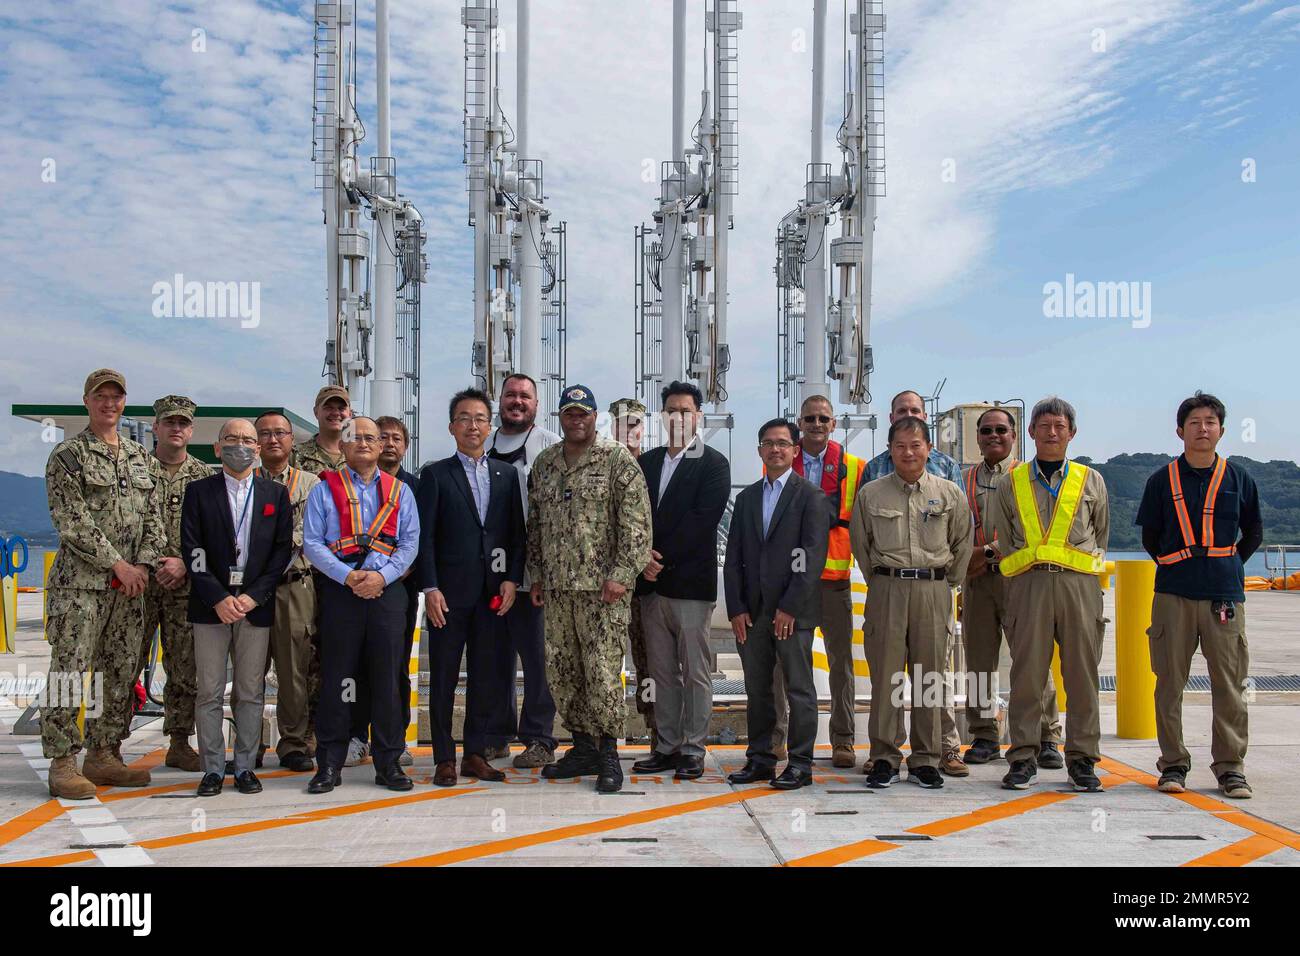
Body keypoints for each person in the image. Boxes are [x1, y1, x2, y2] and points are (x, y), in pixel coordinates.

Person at [42, 369, 168, 799]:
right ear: (87, 401)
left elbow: (156, 520)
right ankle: (62, 761)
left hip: (130, 589)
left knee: (118, 672)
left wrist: (145, 567)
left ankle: (104, 753)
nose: (109, 403)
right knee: (70, 672)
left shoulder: (141, 459)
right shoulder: (68, 456)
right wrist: (119, 564)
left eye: (116, 396)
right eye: (101, 396)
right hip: (81, 587)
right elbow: (72, 522)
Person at [1136, 392, 1263, 799]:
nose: (1202, 429)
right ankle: (1173, 765)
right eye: (1194, 422)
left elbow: (1254, 534)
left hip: (1224, 597)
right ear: (1180, 431)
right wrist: (1180, 565)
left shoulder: (1239, 478)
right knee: (1168, 683)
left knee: (1229, 684)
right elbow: (1150, 538)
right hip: (1173, 594)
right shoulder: (1161, 480)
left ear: (1221, 431)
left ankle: (1230, 768)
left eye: (1210, 422)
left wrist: (1226, 565)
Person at [527, 384, 652, 793]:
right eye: (569, 413)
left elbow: (636, 526)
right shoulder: (545, 464)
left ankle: (609, 753)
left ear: (595, 417)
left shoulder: (617, 460)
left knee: (601, 673)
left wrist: (622, 574)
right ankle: (582, 746)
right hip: (560, 590)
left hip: (604, 591)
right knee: (564, 673)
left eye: (583, 413)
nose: (576, 419)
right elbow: (535, 526)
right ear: (560, 418)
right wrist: (538, 575)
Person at [990, 396, 1109, 792]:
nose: (1052, 432)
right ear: (1031, 432)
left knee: (1082, 676)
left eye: (1060, 426)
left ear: (1071, 433)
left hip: (1079, 587)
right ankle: (1023, 757)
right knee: (1026, 677)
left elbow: (1101, 534)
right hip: (1029, 585)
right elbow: (1004, 538)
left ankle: (1082, 760)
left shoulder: (1091, 481)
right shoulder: (1012, 482)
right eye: (1044, 426)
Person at [850, 417, 972, 790]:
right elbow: (861, 544)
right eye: (900, 445)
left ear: (929, 448)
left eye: (916, 445)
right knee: (887, 675)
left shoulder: (948, 492)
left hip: (934, 591)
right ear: (890, 449)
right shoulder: (871, 493)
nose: (908, 452)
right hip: (887, 589)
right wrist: (884, 582)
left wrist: (944, 585)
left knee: (931, 677)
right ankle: (884, 756)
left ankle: (926, 758)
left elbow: (962, 544)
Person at [302, 417, 420, 794]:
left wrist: (381, 578)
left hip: (387, 593)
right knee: (339, 679)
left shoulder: (400, 492)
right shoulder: (323, 491)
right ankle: (330, 763)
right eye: (357, 437)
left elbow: (409, 543)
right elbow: (313, 543)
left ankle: (389, 762)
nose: (366, 443)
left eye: (373, 437)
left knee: (388, 678)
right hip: (341, 593)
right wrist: (348, 577)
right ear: (344, 445)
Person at [418, 390, 526, 786]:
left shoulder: (506, 474)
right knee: (444, 678)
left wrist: (512, 578)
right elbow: (424, 537)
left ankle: (475, 754)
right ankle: (444, 758)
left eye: (480, 418)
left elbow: (517, 534)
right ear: (452, 427)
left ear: (490, 426)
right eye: (464, 418)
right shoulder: (435, 474)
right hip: (448, 596)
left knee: (486, 676)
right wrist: (430, 587)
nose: (473, 425)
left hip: (493, 596)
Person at [181, 419, 293, 796]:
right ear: (217, 448)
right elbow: (192, 551)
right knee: (209, 690)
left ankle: (245, 765)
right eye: (231, 439)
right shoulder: (198, 492)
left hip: (254, 606)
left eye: (248, 440)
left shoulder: (274, 495)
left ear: (258, 448)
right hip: (210, 606)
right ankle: (212, 768)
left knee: (250, 690)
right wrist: (218, 597)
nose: (240, 446)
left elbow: (281, 553)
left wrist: (253, 595)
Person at [631, 382, 730, 779]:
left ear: (698, 417)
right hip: (651, 588)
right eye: (670, 410)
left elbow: (701, 521)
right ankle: (667, 745)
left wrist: (658, 559)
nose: (678, 417)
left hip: (690, 586)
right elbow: (635, 517)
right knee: (662, 672)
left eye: (685, 411)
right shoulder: (648, 462)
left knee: (695, 671)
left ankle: (692, 748)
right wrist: (642, 560)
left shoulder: (713, 464)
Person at [724, 418, 829, 790]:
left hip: (792, 614)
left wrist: (790, 607)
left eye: (783, 443)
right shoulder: (748, 498)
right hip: (752, 614)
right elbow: (734, 556)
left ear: (795, 450)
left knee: (800, 689)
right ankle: (760, 759)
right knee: (758, 690)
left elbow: (812, 558)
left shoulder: (810, 497)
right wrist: (736, 608)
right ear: (759, 451)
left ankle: (800, 764)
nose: (776, 449)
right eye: (768, 443)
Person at [961, 406, 1063, 770]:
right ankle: (983, 733)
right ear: (977, 438)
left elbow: (1034, 527)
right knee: (978, 661)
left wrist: (990, 551)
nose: (993, 437)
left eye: (1001, 430)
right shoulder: (965, 479)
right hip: (977, 581)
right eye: (986, 431)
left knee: (1033, 659)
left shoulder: (1029, 477)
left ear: (1014, 435)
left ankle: (1047, 735)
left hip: (1021, 579)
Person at [773, 393, 865, 770]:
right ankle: (779, 738)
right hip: (791, 579)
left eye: (822, 419)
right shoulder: (780, 463)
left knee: (840, 663)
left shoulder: (855, 468)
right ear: (800, 423)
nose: (815, 425)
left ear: (834, 424)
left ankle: (843, 740)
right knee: (784, 663)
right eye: (808, 419)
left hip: (833, 578)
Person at [121, 395, 210, 773]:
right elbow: (122, 522)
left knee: (185, 666)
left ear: (191, 430)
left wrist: (187, 565)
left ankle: (179, 741)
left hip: (184, 585)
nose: (176, 429)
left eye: (183, 423)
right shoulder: (134, 469)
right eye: (169, 422)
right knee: (124, 661)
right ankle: (109, 744)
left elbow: (215, 533)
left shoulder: (205, 476)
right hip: (138, 583)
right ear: (155, 427)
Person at [484, 372, 560, 767]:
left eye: (525, 397)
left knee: (537, 659)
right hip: (488, 572)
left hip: (534, 576)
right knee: (493, 657)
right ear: (500, 400)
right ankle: (496, 734)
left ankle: (539, 739)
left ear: (536, 404)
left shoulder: (551, 447)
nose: (517, 402)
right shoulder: (482, 444)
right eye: (510, 395)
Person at [255, 411, 322, 773]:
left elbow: (308, 534)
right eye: (264, 434)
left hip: (292, 585)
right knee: (250, 669)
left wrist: (265, 552)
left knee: (294, 670)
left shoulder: (308, 484)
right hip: (248, 590)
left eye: (280, 433)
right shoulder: (241, 481)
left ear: (291, 440)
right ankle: (250, 744)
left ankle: (293, 743)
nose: (272, 440)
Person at [609, 396, 658, 748]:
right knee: (604, 662)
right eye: (623, 423)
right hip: (607, 583)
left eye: (635, 424)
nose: (630, 429)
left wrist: (649, 558)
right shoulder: (601, 464)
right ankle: (602, 735)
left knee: (650, 663)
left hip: (645, 584)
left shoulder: (655, 468)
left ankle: (656, 728)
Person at [375, 415, 422, 767]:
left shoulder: (415, 487)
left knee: (396, 669)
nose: (389, 444)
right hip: (354, 588)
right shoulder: (354, 485)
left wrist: (392, 575)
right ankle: (358, 736)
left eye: (396, 439)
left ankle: (395, 740)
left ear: (405, 447)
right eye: (383, 437)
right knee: (355, 667)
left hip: (400, 589)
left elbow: (419, 541)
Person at [294, 384, 351, 476]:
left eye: (341, 408)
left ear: (350, 414)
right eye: (328, 407)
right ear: (316, 412)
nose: (336, 413)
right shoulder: (295, 454)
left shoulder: (359, 455)